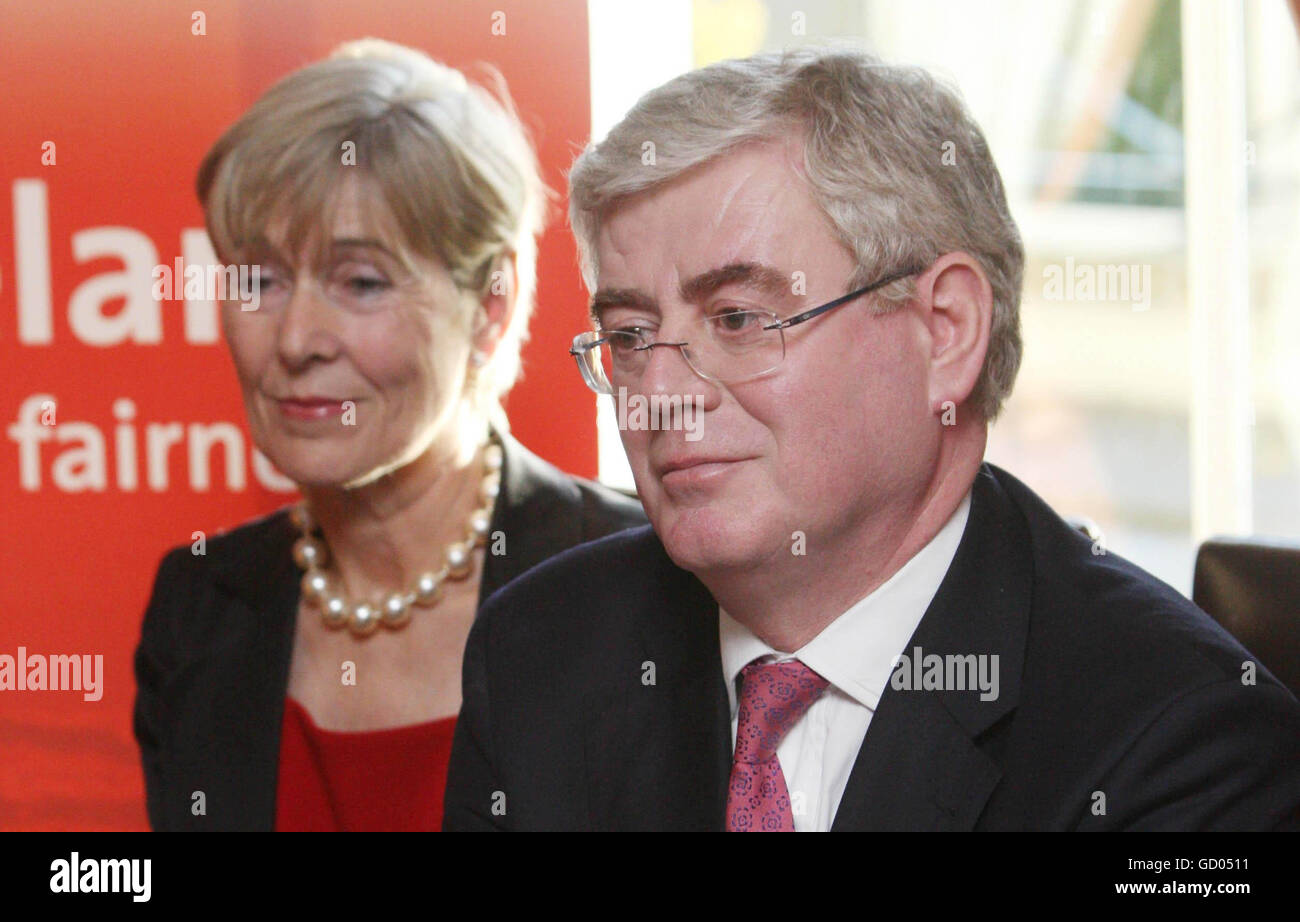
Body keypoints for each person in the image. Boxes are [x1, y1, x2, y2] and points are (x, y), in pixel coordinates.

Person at [443, 48, 1300, 831]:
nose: (660, 398)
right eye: (629, 335)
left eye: (739, 319)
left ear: (946, 332)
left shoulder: (1181, 737)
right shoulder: (540, 651)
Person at [132, 38, 646, 831]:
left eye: (361, 281)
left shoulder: (637, 589)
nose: (298, 338)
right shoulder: (198, 607)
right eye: (259, 279)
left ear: (490, 307)